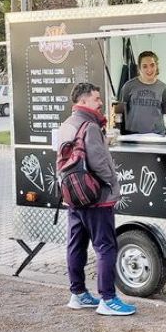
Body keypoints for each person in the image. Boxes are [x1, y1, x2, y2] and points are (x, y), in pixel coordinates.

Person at [57, 82, 137, 316]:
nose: (100, 102)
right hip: (96, 197)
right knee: (105, 246)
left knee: (76, 244)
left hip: (73, 195)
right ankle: (108, 300)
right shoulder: (90, 126)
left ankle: (78, 294)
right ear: (82, 102)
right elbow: (100, 164)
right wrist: (113, 184)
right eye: (96, 99)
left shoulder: (66, 124)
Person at [116, 51, 166, 135]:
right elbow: (119, 111)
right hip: (133, 136)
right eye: (145, 66)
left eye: (152, 65)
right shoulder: (128, 86)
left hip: (157, 135)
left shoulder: (164, 88)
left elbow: (165, 111)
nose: (149, 70)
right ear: (139, 68)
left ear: (156, 66)